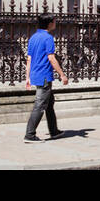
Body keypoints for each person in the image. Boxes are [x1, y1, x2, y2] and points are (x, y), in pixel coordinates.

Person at [24, 13, 68, 142]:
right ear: (49, 23)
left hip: (36, 75)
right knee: (40, 105)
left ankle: (54, 131)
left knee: (49, 104)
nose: (56, 23)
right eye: (55, 21)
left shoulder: (33, 37)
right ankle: (30, 135)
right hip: (44, 76)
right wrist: (62, 74)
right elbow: (51, 58)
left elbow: (29, 59)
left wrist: (27, 77)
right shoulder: (47, 38)